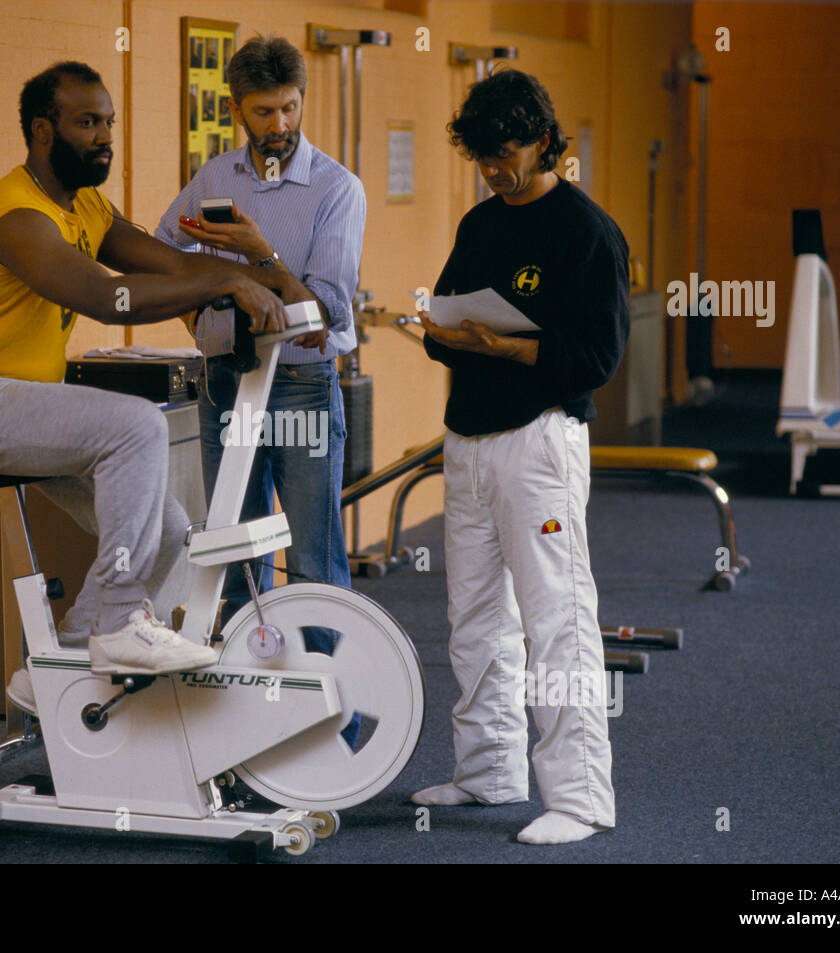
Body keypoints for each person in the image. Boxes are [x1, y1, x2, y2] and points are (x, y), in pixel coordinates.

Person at [0, 61, 301, 691]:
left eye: (108, 122)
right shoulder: (18, 218)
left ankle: (58, 672)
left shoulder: (87, 206)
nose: (104, 138)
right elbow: (107, 298)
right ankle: (119, 625)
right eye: (87, 122)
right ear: (43, 131)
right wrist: (226, 282)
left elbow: (168, 264)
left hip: (26, 399)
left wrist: (266, 274)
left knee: (170, 531)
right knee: (137, 427)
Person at [413, 69, 627, 845]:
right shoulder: (482, 224)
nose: (492, 170)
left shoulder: (588, 232)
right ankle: (489, 769)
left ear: (543, 140)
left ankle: (579, 797)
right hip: (467, 440)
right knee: (472, 617)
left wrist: (501, 343)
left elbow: (597, 356)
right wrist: (442, 331)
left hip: (539, 440)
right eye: (480, 158)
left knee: (556, 618)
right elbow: (443, 316)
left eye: (503, 154)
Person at [154, 35, 365, 637]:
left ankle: (332, 719)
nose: (280, 124)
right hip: (227, 379)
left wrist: (261, 254)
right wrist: (192, 312)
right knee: (235, 552)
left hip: (302, 384)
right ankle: (247, 711)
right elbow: (165, 252)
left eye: (290, 108)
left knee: (312, 560)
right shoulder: (217, 177)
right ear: (235, 110)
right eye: (264, 111)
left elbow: (324, 317)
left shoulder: (336, 188)